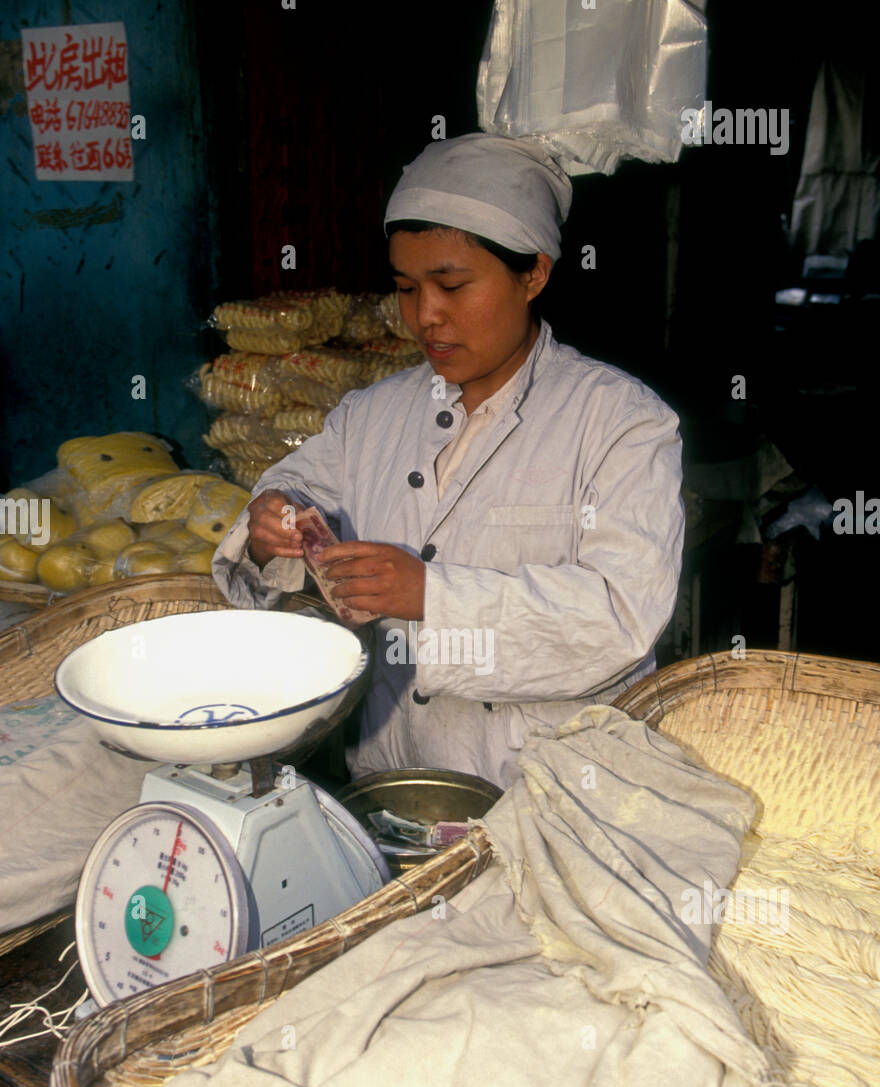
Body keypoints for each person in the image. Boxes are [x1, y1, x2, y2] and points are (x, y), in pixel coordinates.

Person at [211, 133, 685, 790]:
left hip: (548, 793)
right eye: (406, 289)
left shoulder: (621, 422)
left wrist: (433, 597)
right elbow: (293, 487)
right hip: (390, 776)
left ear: (535, 273)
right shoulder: (370, 414)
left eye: (452, 284)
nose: (425, 317)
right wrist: (274, 522)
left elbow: (622, 616)